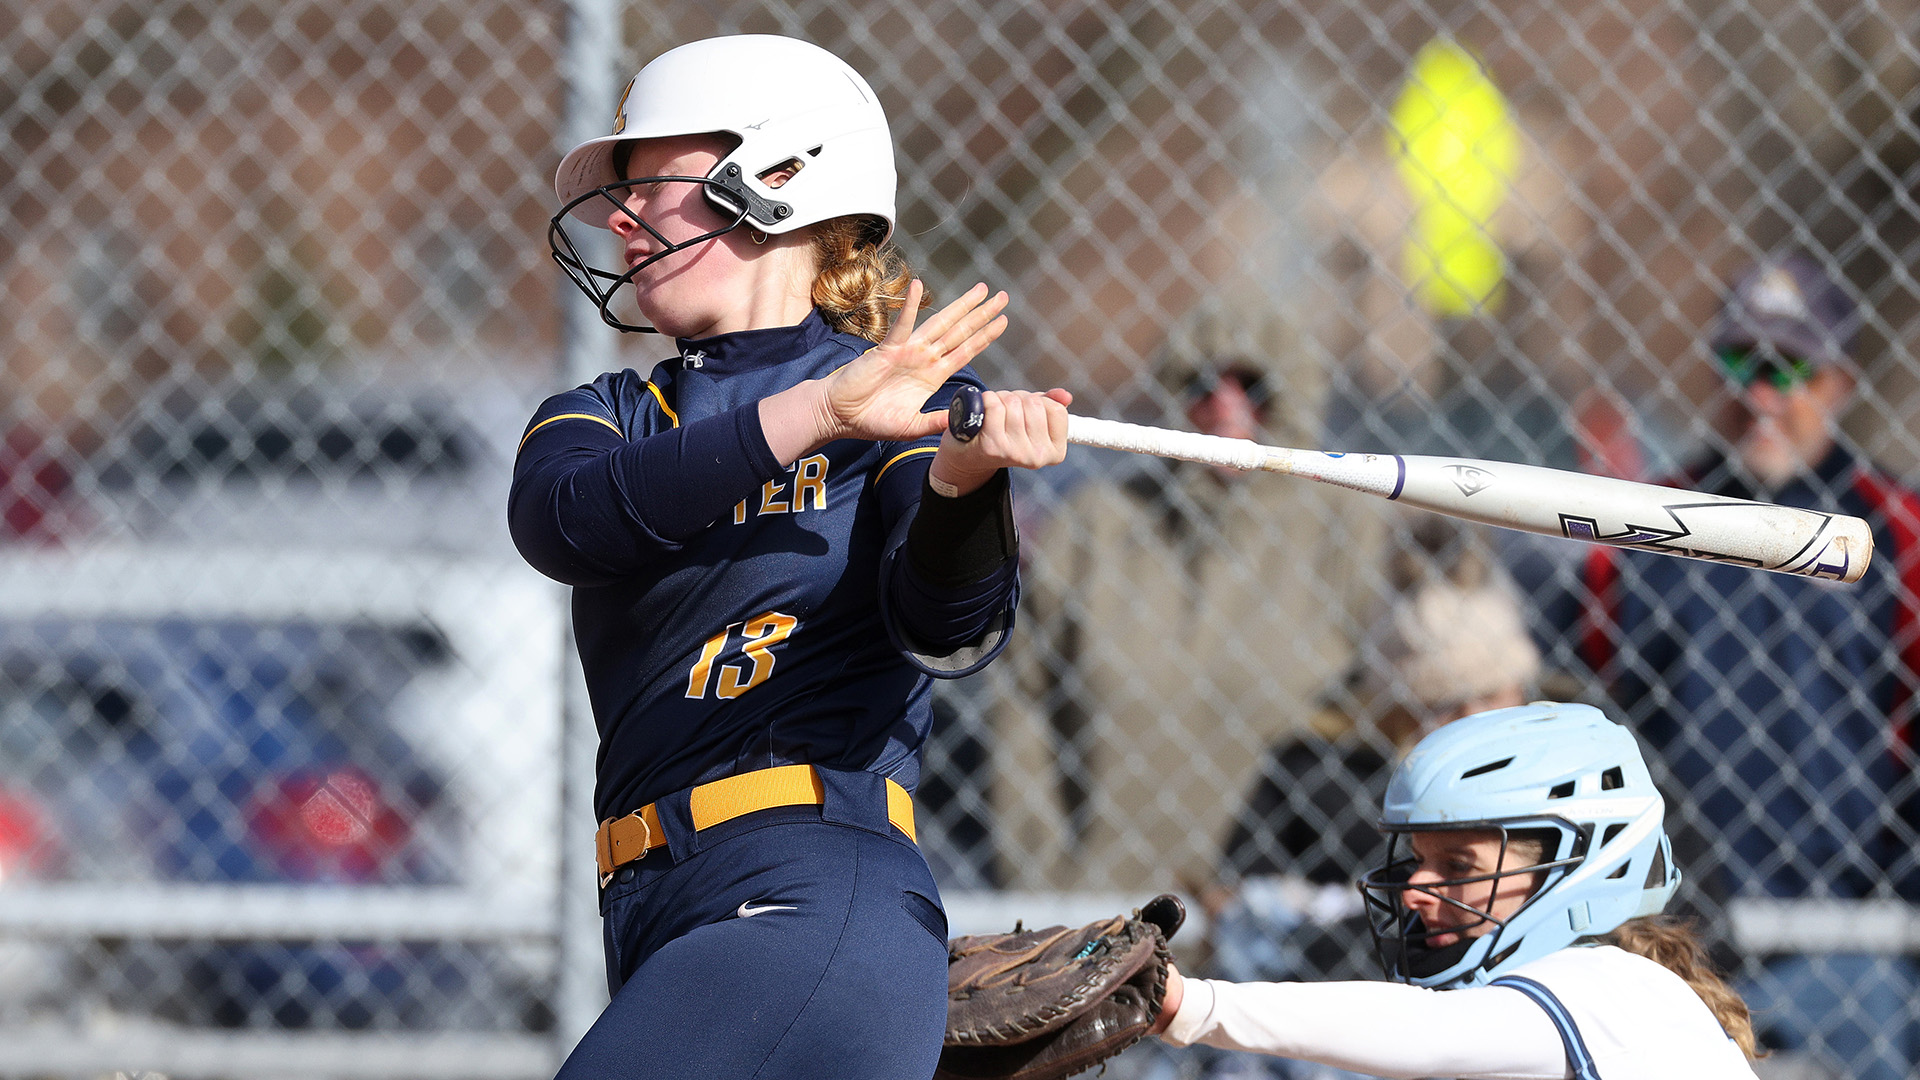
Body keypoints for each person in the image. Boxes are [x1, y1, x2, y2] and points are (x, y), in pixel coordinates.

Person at [508, 35, 1070, 1079]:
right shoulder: (610, 415)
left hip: (808, 886)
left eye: (653, 187)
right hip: (656, 912)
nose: (620, 219)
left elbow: (945, 628)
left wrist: (965, 483)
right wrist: (822, 412)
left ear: (777, 179)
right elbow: (568, 523)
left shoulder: (906, 404)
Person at [1557, 254, 1920, 1080]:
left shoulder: (1898, 531)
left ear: (1838, 383)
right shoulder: (1644, 527)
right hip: (1679, 933)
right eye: (1738, 364)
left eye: (1787, 368)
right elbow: (1601, 716)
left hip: (1861, 932)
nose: (1759, 393)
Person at [1151, 702, 1762, 1080]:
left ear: (1574, 867)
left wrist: (1193, 1005)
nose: (1416, 889)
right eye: (1418, 861)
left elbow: (1424, 1033)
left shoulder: (1616, 989)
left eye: (1459, 865)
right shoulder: (1530, 1013)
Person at [993, 313, 1384, 892]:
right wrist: (1042, 883)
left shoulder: (1348, 533)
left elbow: (1399, 709)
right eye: (1201, 386)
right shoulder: (1098, 528)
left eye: (1252, 387)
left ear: (1296, 396)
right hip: (1098, 910)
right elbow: (1022, 715)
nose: (1225, 410)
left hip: (1281, 931)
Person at [1212, 521, 1544, 988]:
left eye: (1491, 696)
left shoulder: (1562, 767)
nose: (1473, 721)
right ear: (1397, 710)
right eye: (1442, 704)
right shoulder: (1316, 772)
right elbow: (1242, 908)